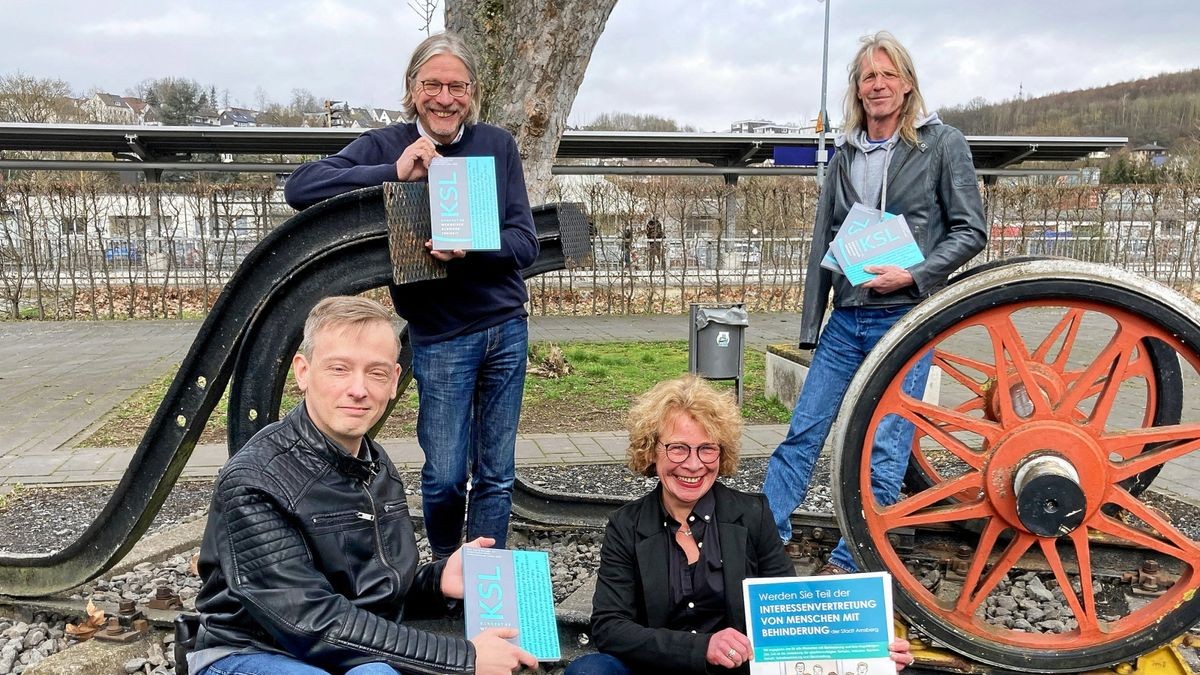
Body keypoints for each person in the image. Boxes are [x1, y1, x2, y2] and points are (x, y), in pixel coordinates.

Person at [284, 31, 538, 559]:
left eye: (457, 86)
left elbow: (525, 242)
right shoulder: (387, 144)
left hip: (505, 326)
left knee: (496, 471)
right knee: (445, 473)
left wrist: (471, 246)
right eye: (433, 85)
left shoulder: (497, 145)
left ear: (472, 92)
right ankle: (448, 565)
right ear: (412, 88)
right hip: (441, 333)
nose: (446, 97)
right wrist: (393, 174)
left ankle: (484, 580)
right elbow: (301, 188)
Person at [189, 296, 538, 675]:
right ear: (303, 373)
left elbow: (367, 594)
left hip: (335, 644)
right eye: (340, 369)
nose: (359, 389)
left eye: (376, 373)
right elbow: (312, 620)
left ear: (393, 382)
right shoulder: (256, 480)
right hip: (248, 651)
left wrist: (436, 581)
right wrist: (465, 658)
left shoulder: (376, 466)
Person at [762, 31, 987, 574]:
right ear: (858, 90)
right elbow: (824, 239)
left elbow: (971, 231)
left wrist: (912, 274)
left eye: (888, 74)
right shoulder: (844, 154)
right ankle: (765, 539)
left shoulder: (941, 143)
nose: (878, 84)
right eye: (868, 76)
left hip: (904, 320)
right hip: (848, 317)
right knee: (804, 431)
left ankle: (853, 560)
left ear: (907, 85)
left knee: (885, 446)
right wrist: (811, 324)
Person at [568, 375, 913, 675]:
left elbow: (792, 616)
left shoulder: (752, 515)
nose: (693, 465)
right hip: (657, 668)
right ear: (651, 450)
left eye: (707, 449)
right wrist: (701, 648)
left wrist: (869, 653)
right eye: (677, 449)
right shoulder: (626, 525)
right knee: (590, 670)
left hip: (735, 673)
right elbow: (610, 628)